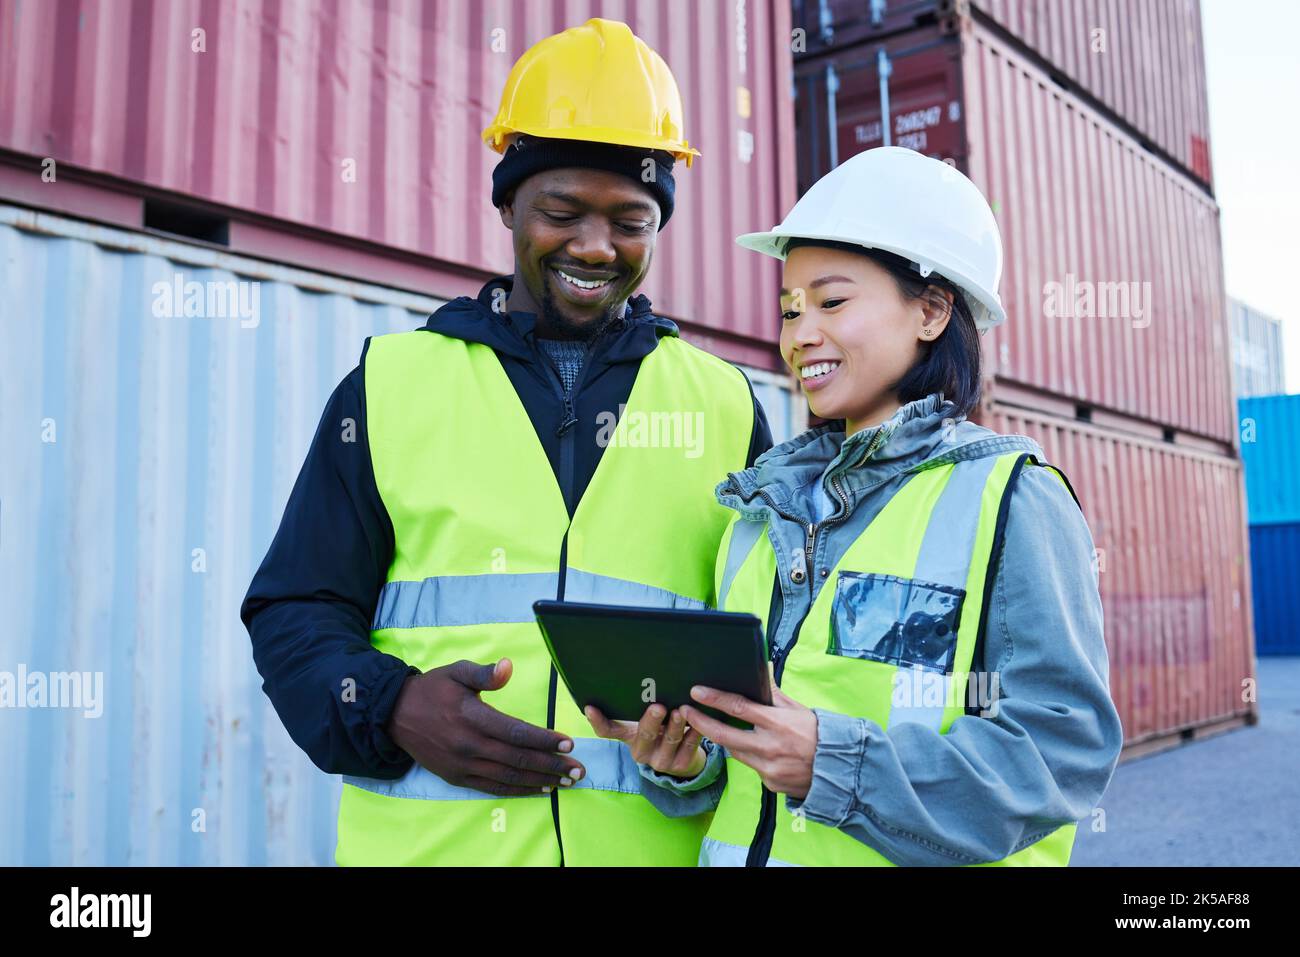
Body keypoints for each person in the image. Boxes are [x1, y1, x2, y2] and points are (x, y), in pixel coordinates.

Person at [240, 18, 772, 867]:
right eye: (562, 211)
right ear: (507, 204)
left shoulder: (726, 407)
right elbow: (295, 610)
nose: (596, 247)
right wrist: (393, 707)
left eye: (631, 221)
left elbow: (770, 655)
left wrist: (699, 755)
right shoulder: (390, 385)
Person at [591, 146, 1124, 866]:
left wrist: (831, 762)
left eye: (832, 301)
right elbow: (750, 760)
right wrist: (689, 761)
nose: (799, 334)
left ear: (932, 311)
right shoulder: (758, 512)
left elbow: (1060, 752)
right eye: (790, 308)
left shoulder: (1012, 497)